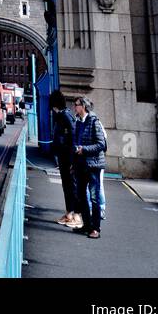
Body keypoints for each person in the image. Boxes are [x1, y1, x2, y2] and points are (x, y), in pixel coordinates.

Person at [71, 96, 107, 238]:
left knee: (94, 197)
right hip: (80, 165)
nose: (75, 107)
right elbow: (75, 143)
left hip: (93, 165)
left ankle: (95, 229)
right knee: (81, 196)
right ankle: (86, 225)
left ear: (84, 107)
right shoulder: (78, 122)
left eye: (77, 105)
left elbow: (101, 145)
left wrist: (84, 149)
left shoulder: (94, 122)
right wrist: (73, 164)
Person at [49, 89, 81, 229]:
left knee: (71, 186)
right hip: (63, 156)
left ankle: (76, 216)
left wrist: (73, 159)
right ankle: (69, 213)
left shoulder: (65, 116)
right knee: (66, 186)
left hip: (68, 157)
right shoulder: (61, 116)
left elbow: (73, 138)